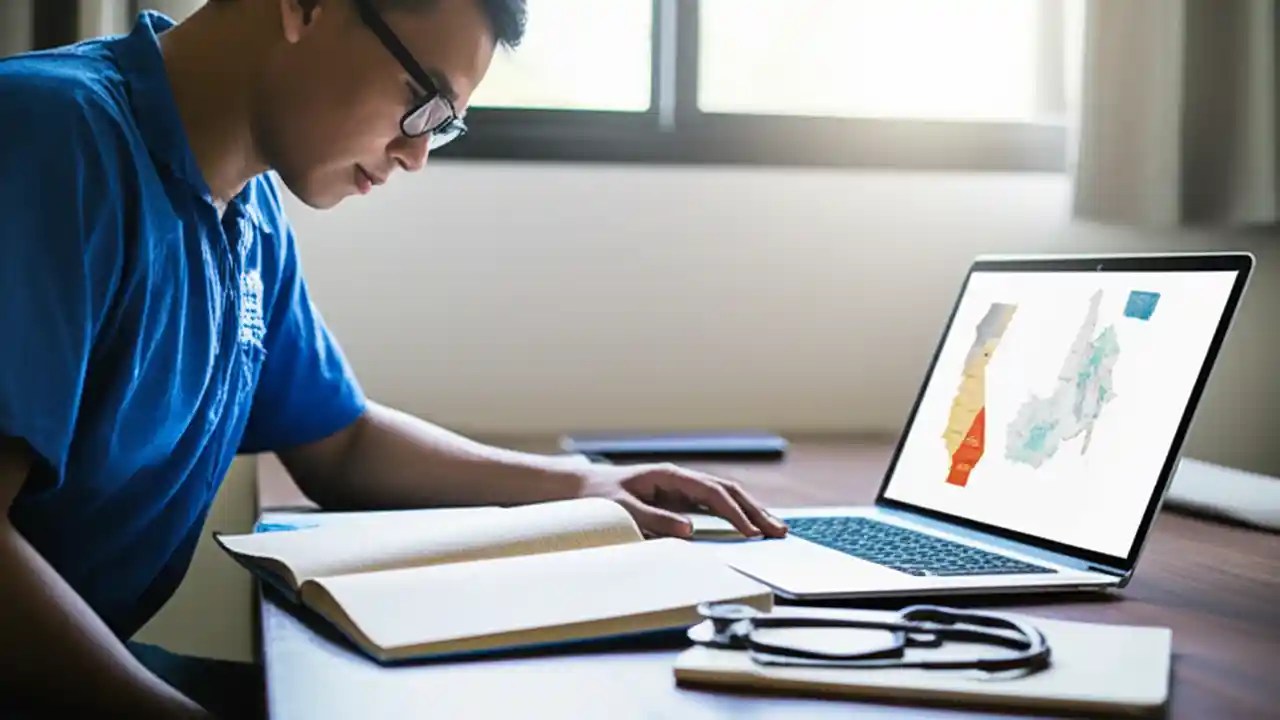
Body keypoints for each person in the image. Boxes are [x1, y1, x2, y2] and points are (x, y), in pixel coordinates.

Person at [0, 0, 788, 717]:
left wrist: (585, 487)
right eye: (425, 102)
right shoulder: (47, 136)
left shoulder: (250, 216)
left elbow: (340, 443)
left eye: (443, 125)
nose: (417, 155)